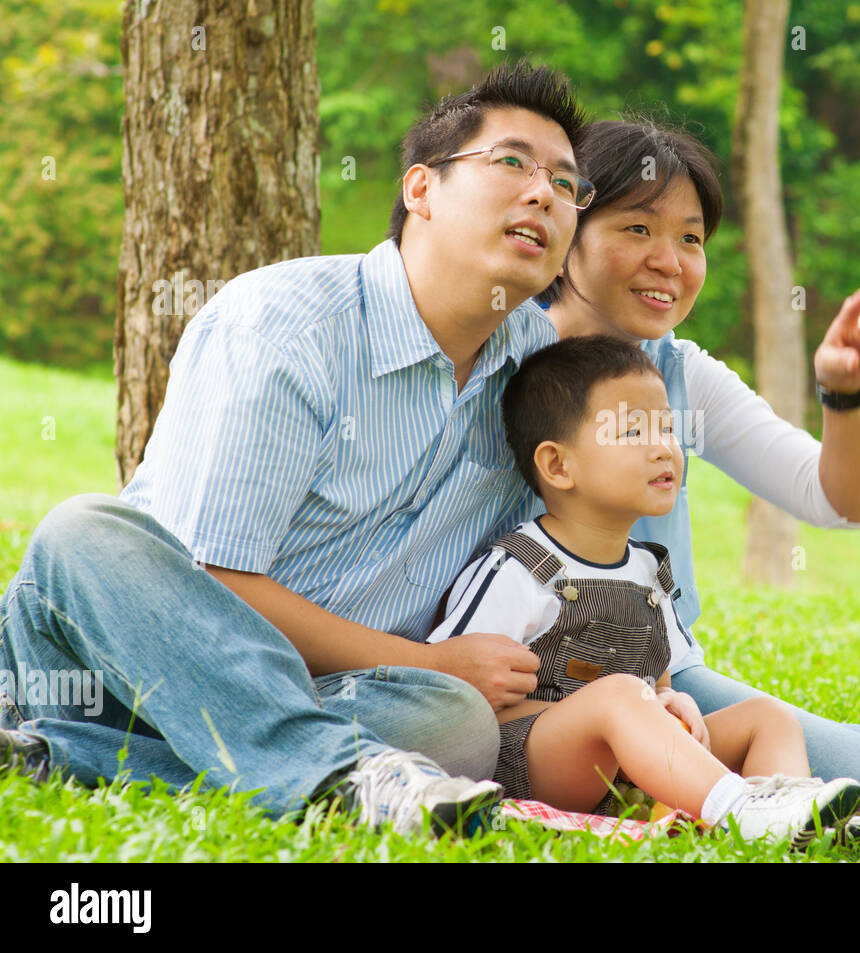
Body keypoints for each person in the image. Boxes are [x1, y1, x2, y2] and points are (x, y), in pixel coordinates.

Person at [0, 61, 592, 836]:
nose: (544, 193)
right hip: (116, 663)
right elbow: (208, 579)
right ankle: (343, 770)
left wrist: (644, 693)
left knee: (456, 723)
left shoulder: (530, 370)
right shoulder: (282, 324)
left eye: (566, 184)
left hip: (318, 693)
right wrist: (431, 660)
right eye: (512, 162)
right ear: (421, 190)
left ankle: (51, 757)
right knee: (84, 530)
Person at [535, 119, 860, 816]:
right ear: (571, 231)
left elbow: (840, 501)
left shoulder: (682, 375)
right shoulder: (506, 362)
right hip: (531, 685)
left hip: (661, 674)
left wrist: (845, 395)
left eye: (691, 238)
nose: (671, 260)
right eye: (638, 228)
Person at [427, 335, 860, 844]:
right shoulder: (519, 566)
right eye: (633, 431)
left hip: (632, 767)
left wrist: (669, 702)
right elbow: (452, 697)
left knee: (767, 717)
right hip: (538, 764)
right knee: (615, 695)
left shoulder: (648, 570)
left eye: (667, 428)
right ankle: (735, 807)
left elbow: (658, 680)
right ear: (558, 465)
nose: (663, 447)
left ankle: (791, 819)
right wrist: (624, 706)